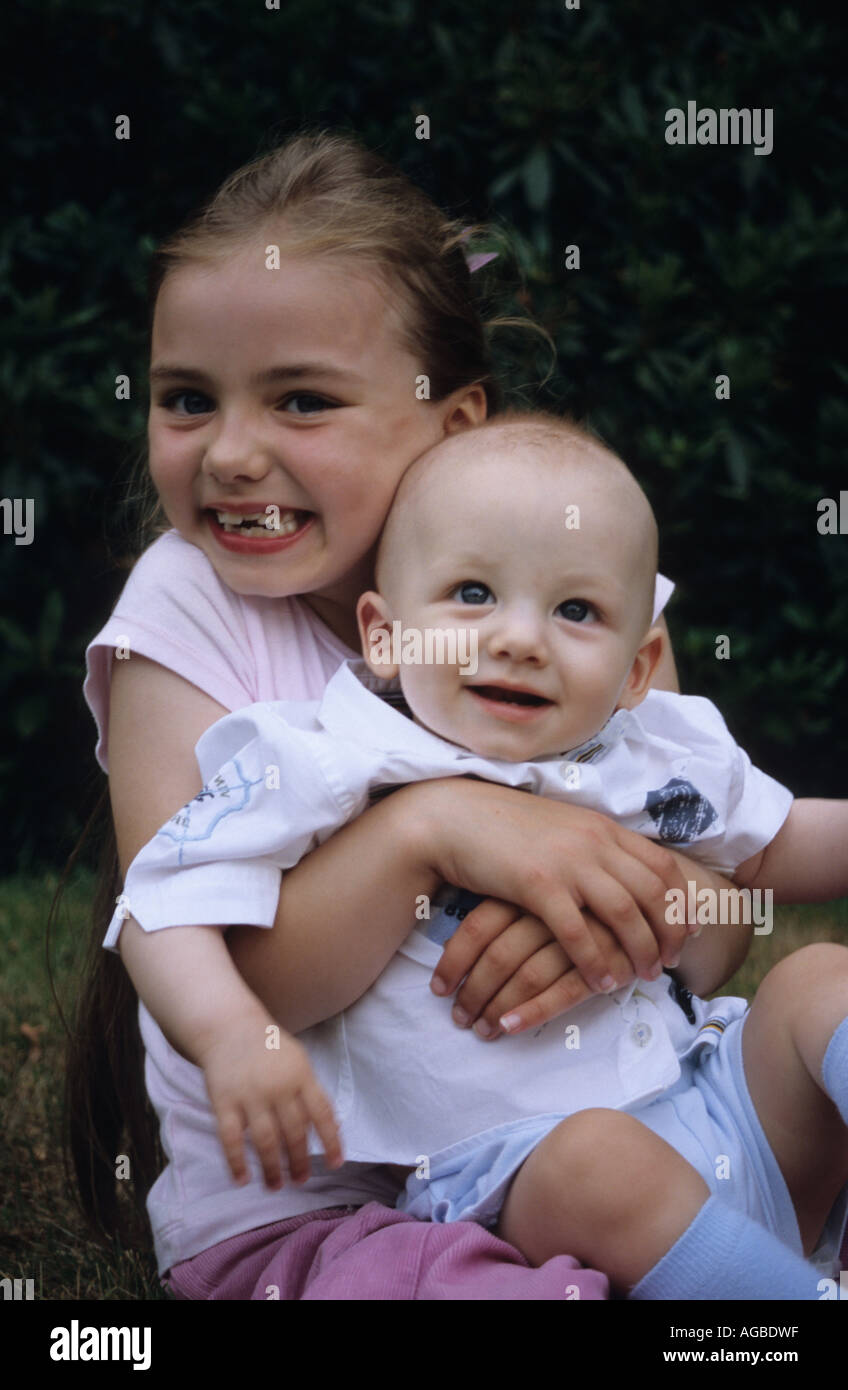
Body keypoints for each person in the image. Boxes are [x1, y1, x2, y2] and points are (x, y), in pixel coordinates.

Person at [71, 131, 744, 1302]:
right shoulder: (181, 613)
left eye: (302, 400)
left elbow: (720, 908)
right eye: (188, 399)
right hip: (331, 1205)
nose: (231, 453)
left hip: (597, 1138)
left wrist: (599, 934)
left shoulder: (572, 580)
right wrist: (433, 833)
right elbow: (222, 960)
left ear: (450, 420)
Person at [112, 413, 848, 1300]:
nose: (519, 638)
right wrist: (231, 1031)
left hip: (716, 1112)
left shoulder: (648, 750)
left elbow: (780, 849)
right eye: (471, 595)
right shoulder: (327, 756)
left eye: (576, 611)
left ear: (639, 664)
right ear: (382, 634)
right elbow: (165, 893)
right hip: (525, 1177)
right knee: (596, 1162)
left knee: (819, 983)